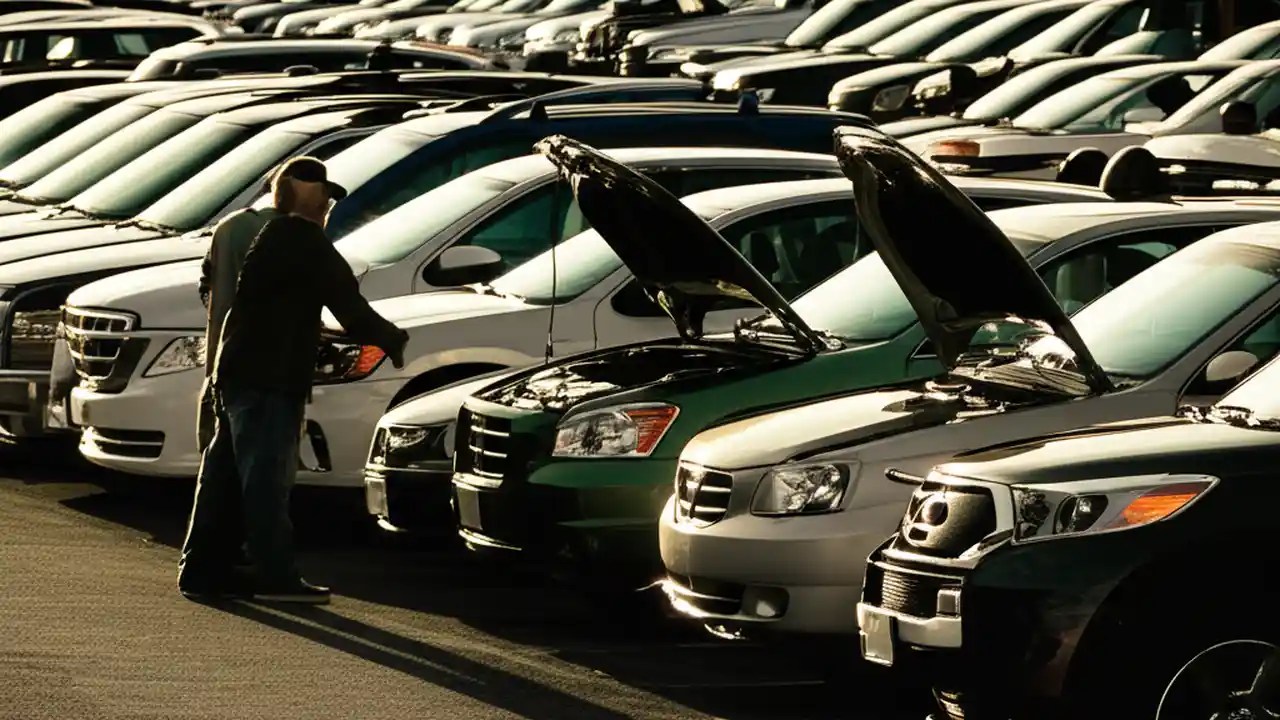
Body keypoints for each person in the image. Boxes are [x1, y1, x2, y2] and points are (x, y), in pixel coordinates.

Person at [178, 157, 408, 604]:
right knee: (266, 482)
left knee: (223, 477)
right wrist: (393, 339)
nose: (328, 206)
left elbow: (277, 305)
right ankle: (274, 575)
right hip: (270, 379)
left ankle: (201, 571)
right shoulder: (307, 243)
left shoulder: (270, 237)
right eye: (324, 196)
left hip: (238, 371)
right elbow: (350, 307)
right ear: (312, 200)